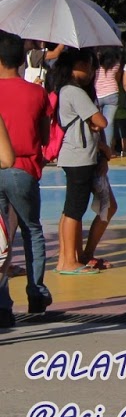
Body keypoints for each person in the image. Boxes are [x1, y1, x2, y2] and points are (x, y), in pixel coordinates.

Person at [0, 30, 53, 319]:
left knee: (0, 237)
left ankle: (2, 300)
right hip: (25, 169)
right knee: (32, 230)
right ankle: (36, 292)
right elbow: (44, 136)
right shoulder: (37, 92)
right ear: (22, 60)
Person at [50, 48, 109, 274]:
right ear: (79, 65)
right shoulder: (74, 91)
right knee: (75, 209)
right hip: (79, 156)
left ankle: (67, 257)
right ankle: (68, 261)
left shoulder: (66, 89)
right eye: (89, 65)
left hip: (75, 154)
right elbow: (101, 121)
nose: (92, 70)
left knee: (70, 210)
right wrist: (95, 122)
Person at [93, 45, 126, 156]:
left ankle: (97, 147)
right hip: (112, 93)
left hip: (97, 94)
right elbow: (117, 78)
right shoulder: (117, 63)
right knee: (109, 123)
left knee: (97, 122)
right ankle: (108, 149)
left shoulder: (95, 62)